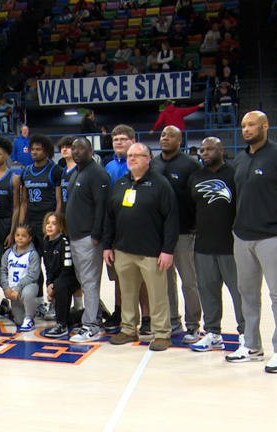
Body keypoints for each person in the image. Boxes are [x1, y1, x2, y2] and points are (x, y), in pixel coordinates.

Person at [225, 111, 277, 373]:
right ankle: (251, 345)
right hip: (243, 236)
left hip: (273, 236)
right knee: (247, 294)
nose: (246, 129)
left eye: (251, 125)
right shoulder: (239, 160)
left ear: (265, 126)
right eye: (243, 126)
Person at [103, 142, 178, 352]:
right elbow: (109, 218)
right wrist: (107, 246)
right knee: (127, 293)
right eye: (129, 155)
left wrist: (168, 250)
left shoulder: (160, 184)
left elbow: (171, 219)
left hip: (152, 252)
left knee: (157, 295)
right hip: (123, 251)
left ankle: (162, 333)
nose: (132, 159)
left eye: (137, 155)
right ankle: (128, 329)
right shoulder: (120, 184)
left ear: (148, 159)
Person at [187, 137, 245, 351]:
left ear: (221, 150)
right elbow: (190, 209)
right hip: (203, 246)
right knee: (208, 292)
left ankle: (246, 334)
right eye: (202, 149)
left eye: (210, 149)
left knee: (239, 293)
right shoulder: (195, 177)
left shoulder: (234, 175)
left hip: (231, 247)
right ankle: (212, 333)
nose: (204, 152)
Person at [150, 125, 202, 344]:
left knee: (189, 281)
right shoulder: (153, 164)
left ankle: (193, 325)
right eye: (162, 135)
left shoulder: (191, 165)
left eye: (171, 135)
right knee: (165, 282)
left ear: (180, 141)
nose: (165, 138)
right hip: (159, 234)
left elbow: (198, 199)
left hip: (184, 232)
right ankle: (172, 321)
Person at [65, 136, 111, 342]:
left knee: (90, 281)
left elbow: (102, 206)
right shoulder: (76, 172)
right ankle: (96, 317)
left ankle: (91, 326)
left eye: (81, 148)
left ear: (91, 150)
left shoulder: (97, 174)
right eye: (73, 148)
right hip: (75, 236)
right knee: (85, 280)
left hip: (89, 237)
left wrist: (96, 234)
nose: (76, 152)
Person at [19, 133, 62, 313]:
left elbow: (59, 200)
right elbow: (24, 201)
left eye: (39, 149)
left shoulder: (54, 170)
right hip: (31, 223)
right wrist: (21, 226)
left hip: (48, 224)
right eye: (33, 149)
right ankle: (38, 304)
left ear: (47, 151)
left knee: (52, 265)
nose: (35, 152)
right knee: (34, 265)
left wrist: (56, 224)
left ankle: (54, 302)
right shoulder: (26, 171)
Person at [43, 212, 80, 338]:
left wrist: (54, 285)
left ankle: (61, 325)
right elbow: (48, 269)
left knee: (60, 286)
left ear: (60, 226)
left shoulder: (64, 242)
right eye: (48, 223)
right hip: (57, 280)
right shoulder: (46, 243)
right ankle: (80, 315)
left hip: (69, 277)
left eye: (54, 223)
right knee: (57, 286)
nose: (50, 226)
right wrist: (49, 284)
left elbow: (67, 268)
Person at [0, 224, 41, 331]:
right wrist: (6, 288)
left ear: (30, 238)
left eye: (24, 236)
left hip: (26, 287)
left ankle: (29, 318)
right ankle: (14, 310)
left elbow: (33, 275)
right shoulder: (8, 253)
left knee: (28, 292)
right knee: (18, 321)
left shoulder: (33, 254)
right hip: (12, 290)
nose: (20, 238)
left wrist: (18, 288)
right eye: (17, 235)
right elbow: (2, 271)